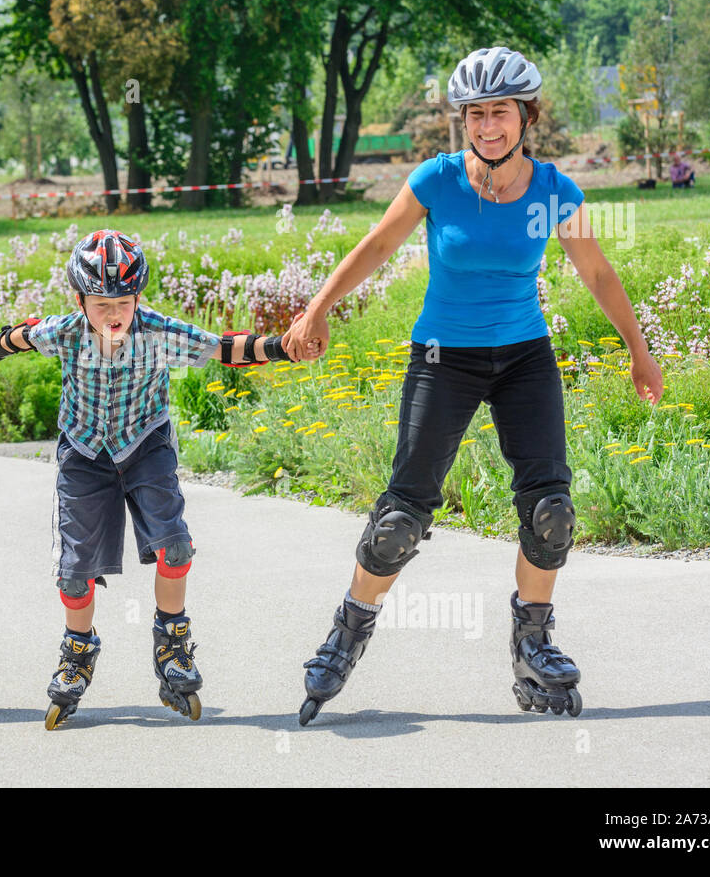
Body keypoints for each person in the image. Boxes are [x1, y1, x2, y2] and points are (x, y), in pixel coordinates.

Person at [284, 47, 665, 725]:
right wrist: (316, 308)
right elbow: (376, 245)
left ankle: (533, 643)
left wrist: (640, 352)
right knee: (400, 518)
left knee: (552, 511)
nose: (488, 127)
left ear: (527, 116)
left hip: (525, 355)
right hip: (443, 357)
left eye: (501, 113)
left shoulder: (553, 191)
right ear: (463, 120)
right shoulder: (437, 181)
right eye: (477, 114)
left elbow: (599, 276)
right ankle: (347, 632)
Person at [0, 229, 298, 729]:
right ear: (79, 300)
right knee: (74, 573)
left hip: (146, 446)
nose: (114, 314)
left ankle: (172, 643)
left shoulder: (157, 330)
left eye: (124, 301)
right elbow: (25, 333)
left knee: (175, 546)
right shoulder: (64, 331)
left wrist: (283, 346)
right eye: (101, 304)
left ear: (138, 297)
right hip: (83, 453)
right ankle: (77, 651)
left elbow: (224, 348)